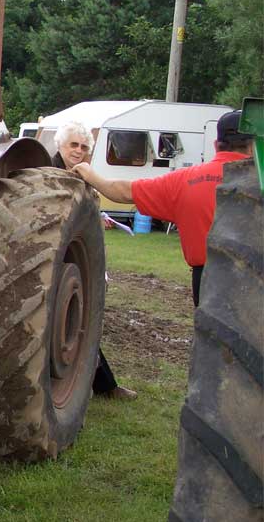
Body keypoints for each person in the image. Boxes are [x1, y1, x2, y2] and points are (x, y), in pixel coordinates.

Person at [72, 110, 254, 307]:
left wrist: (90, 175)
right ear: (253, 147)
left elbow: (123, 192)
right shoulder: (257, 181)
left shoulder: (185, 180)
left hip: (207, 279)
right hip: (253, 276)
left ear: (216, 145)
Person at [52, 122, 136, 400]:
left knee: (81, 320)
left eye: (84, 147)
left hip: (75, 257)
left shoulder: (83, 177)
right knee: (75, 321)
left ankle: (102, 384)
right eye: (73, 145)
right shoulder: (46, 172)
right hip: (54, 257)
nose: (78, 151)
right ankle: (101, 385)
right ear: (60, 146)